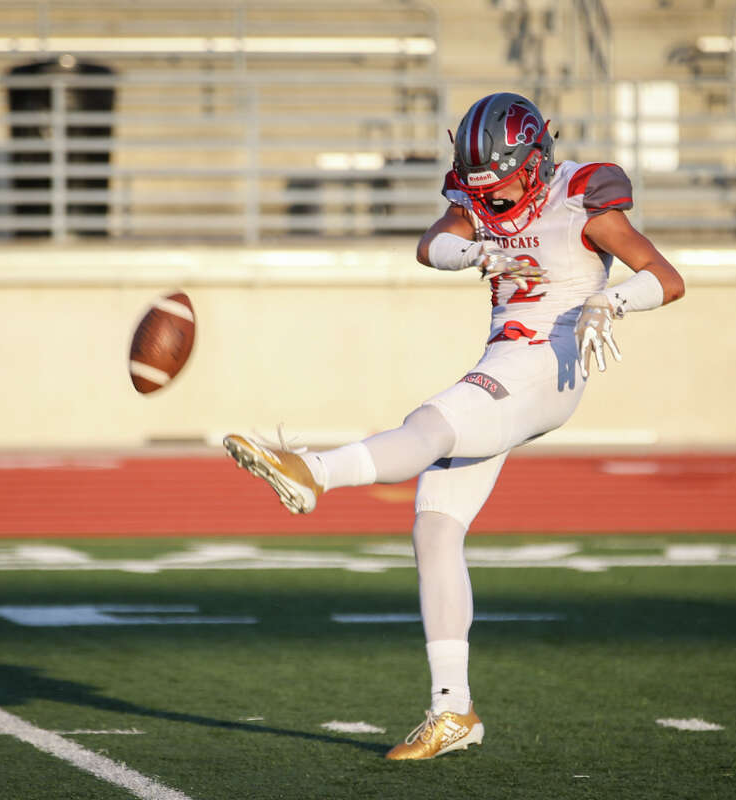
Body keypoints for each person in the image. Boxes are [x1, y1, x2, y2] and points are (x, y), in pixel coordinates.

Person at [223, 92, 684, 760]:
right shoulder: (477, 199)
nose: (490, 200)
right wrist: (473, 256)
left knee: (431, 424)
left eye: (501, 186)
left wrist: (608, 301)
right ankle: (453, 711)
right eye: (480, 188)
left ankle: (313, 471)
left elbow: (666, 278)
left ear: (536, 161)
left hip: (549, 365)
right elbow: (431, 245)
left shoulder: (579, 198)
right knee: (435, 529)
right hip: (504, 363)